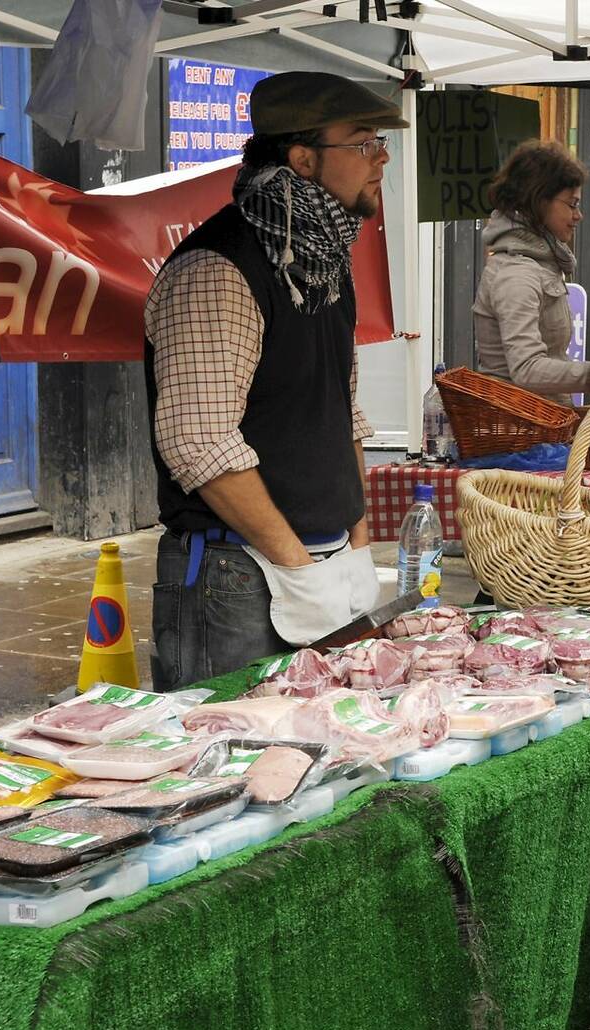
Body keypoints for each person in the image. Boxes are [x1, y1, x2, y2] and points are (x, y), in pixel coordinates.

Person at [144, 72, 403, 690]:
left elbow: (342, 411)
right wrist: (298, 568)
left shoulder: (321, 258)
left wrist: (356, 542)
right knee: (235, 757)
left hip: (322, 557)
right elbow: (198, 441)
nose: (382, 157)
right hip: (239, 577)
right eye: (363, 143)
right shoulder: (218, 268)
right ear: (302, 159)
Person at [471, 140, 590, 398]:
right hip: (522, 431)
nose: (578, 215)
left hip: (542, 424)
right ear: (539, 201)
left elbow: (551, 358)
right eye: (572, 204)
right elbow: (527, 369)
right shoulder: (516, 275)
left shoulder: (536, 264)